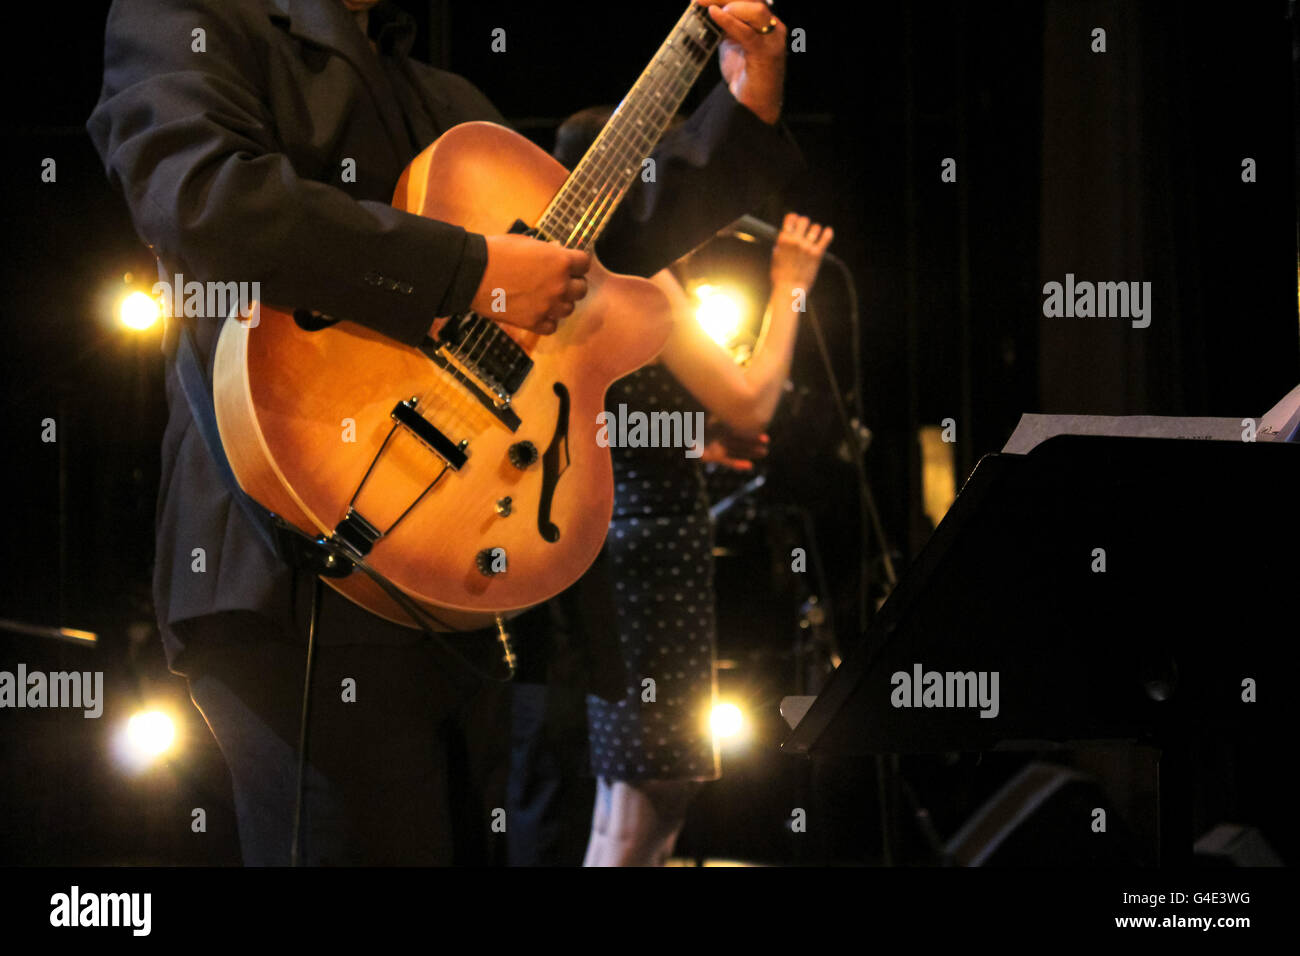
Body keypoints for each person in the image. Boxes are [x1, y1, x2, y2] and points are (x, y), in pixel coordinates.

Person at [86, 0, 802, 864]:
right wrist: (473, 272)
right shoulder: (190, 17)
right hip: (292, 552)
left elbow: (597, 246)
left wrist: (742, 111)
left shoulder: (443, 94)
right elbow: (202, 201)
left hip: (466, 569)